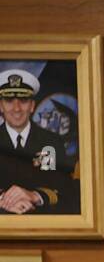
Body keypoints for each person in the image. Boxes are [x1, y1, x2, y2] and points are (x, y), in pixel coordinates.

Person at [0, 69, 77, 214]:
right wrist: (3, 199)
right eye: (9, 100)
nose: (16, 108)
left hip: (41, 224)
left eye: (23, 100)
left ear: (32, 106)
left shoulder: (51, 142)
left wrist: (34, 196)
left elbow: (64, 188)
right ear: (0, 106)